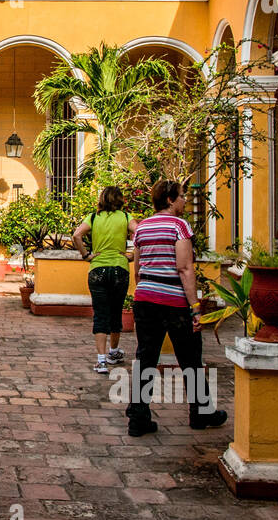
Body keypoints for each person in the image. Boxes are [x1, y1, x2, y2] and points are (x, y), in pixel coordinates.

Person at [127, 179, 228, 436]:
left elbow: (137, 269)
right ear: (170, 200)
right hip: (173, 301)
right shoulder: (179, 225)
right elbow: (184, 268)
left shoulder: (142, 227)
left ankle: (138, 416)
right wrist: (195, 306)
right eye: (182, 196)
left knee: (146, 356)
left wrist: (146, 291)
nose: (185, 200)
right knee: (191, 358)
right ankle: (201, 412)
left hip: (145, 297)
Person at [73, 185, 138, 374]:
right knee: (116, 311)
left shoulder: (93, 218)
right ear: (119, 199)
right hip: (119, 269)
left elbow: (77, 235)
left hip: (97, 269)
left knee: (100, 314)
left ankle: (101, 361)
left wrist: (86, 255)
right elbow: (141, 232)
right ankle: (113, 352)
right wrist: (132, 254)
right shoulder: (125, 217)